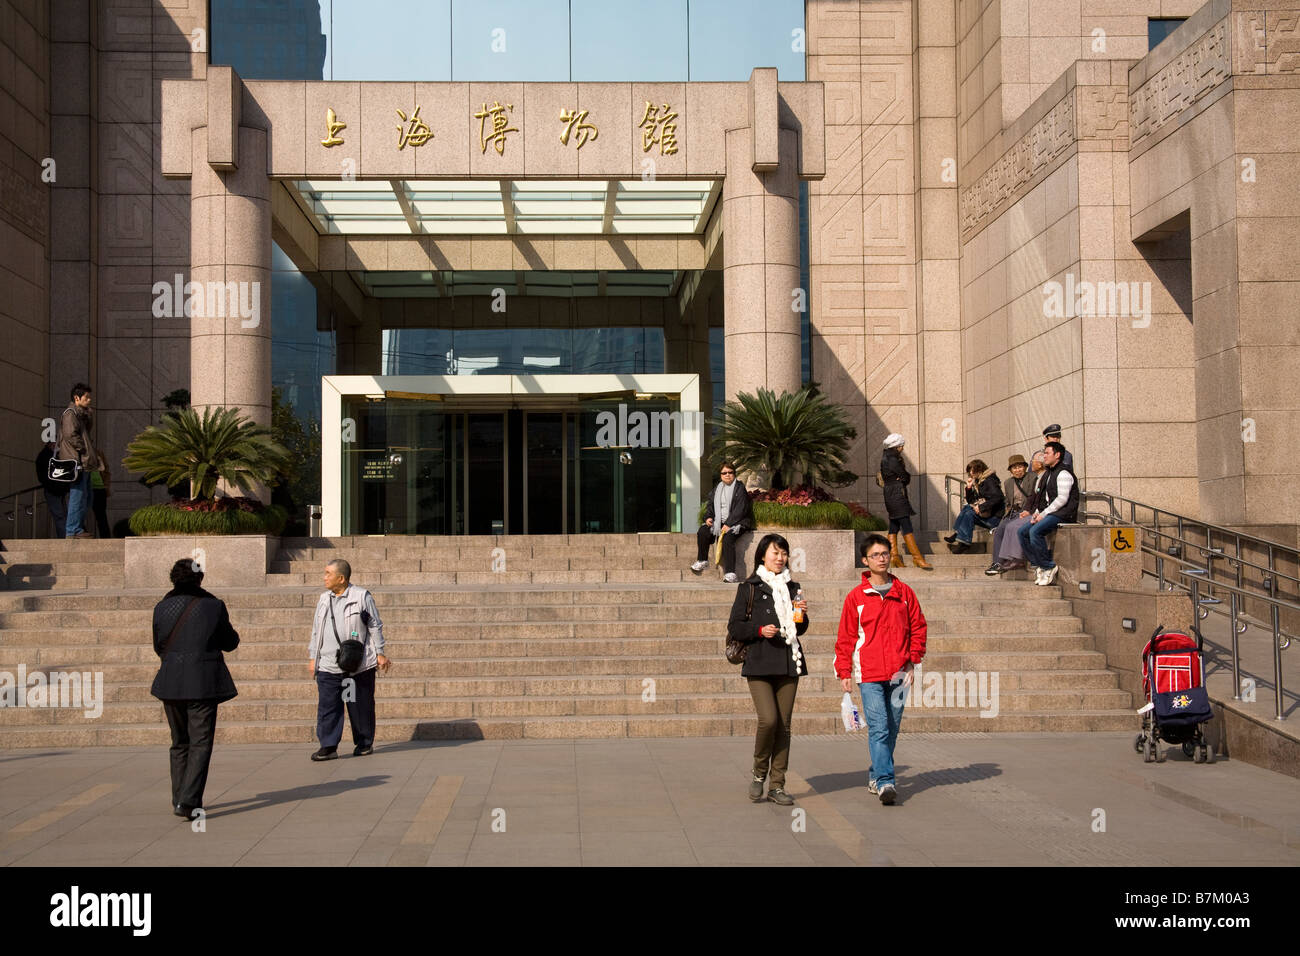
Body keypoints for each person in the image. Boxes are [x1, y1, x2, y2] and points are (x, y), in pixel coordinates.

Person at [834, 534, 928, 806]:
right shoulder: (856, 597)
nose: (882, 558)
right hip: (870, 673)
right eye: (875, 555)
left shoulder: (904, 593)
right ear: (865, 561)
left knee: (892, 726)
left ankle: (876, 774)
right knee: (879, 727)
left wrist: (912, 658)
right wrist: (844, 672)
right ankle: (886, 781)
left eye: (885, 553)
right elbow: (846, 637)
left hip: (900, 673)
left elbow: (918, 628)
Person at [150, 558, 240, 820]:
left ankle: (179, 796)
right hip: (202, 682)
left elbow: (158, 645)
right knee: (200, 742)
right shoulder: (212, 605)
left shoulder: (161, 607)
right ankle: (188, 801)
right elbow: (230, 642)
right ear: (200, 579)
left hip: (170, 681)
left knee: (179, 742)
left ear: (173, 579)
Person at [728, 533, 809, 806]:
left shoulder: (793, 587)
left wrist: (802, 615)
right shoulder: (749, 587)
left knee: (784, 726)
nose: (780, 558)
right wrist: (760, 630)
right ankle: (759, 773)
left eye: (784, 554)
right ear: (763, 555)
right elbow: (735, 627)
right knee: (769, 720)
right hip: (760, 662)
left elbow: (800, 628)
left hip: (789, 660)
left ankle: (777, 785)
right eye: (775, 553)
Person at [308, 558, 390, 760]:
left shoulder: (361, 597)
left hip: (356, 665)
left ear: (341, 578)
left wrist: (379, 653)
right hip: (328, 664)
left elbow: (374, 625)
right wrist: (313, 657)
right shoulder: (324, 599)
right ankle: (328, 746)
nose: (324, 577)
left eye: (328, 573)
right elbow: (316, 630)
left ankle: (363, 743)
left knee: (357, 704)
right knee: (328, 706)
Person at [1017, 441, 1079, 586]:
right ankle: (1038, 564)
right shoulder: (1049, 473)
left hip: (1064, 513)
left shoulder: (1063, 473)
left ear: (1057, 455)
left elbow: (1062, 500)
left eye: (1047, 453)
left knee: (1035, 531)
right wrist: (1037, 512)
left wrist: (1043, 514)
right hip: (1051, 512)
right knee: (1022, 532)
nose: (1044, 456)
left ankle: (1049, 566)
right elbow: (1046, 498)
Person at [691, 460, 753, 584]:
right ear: (720, 475)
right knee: (703, 531)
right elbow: (710, 507)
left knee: (728, 538)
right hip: (720, 522)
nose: (727, 475)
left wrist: (729, 524)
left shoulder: (739, 488)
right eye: (724, 473)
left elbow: (741, 509)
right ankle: (702, 560)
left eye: (730, 472)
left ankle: (730, 573)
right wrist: (708, 518)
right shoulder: (717, 489)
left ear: (734, 474)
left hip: (738, 523)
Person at [879, 434, 932, 570]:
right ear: (898, 446)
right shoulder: (893, 458)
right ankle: (917, 558)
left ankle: (894, 557)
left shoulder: (885, 457)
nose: (902, 448)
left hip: (889, 494)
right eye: (902, 445)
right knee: (906, 524)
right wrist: (904, 478)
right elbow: (904, 476)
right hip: (897, 494)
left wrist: (901, 478)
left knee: (894, 524)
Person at [986, 451, 1044, 575]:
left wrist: (1029, 511)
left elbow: (1034, 497)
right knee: (999, 531)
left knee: (1010, 527)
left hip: (1027, 511)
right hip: (1013, 512)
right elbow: (1008, 500)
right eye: (1014, 468)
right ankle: (997, 562)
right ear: (1011, 470)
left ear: (1024, 467)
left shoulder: (1032, 478)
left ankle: (1013, 559)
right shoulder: (1008, 483)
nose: (1017, 470)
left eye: (1020, 467)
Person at [57, 383, 101, 539]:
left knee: (86, 496)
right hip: (77, 461)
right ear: (76, 398)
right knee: (78, 495)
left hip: (84, 462)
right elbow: (71, 435)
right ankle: (72, 530)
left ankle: (77, 528)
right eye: (86, 397)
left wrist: (88, 415)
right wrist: (83, 449)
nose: (89, 400)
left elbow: (86, 431)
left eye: (90, 397)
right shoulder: (70, 413)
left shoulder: (80, 414)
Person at [943, 458, 1005, 553]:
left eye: (973, 470)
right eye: (969, 471)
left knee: (969, 514)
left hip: (994, 518)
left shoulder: (989, 480)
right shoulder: (979, 481)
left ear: (980, 469)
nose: (971, 473)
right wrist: (968, 488)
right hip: (987, 514)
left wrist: (981, 507)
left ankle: (964, 543)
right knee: (967, 508)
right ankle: (958, 534)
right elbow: (971, 501)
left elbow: (998, 497)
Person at [35, 442, 69, 538]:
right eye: (55, 444)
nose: (57, 446)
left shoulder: (49, 455)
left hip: (58, 490)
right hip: (53, 491)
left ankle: (65, 537)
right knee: (60, 516)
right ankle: (64, 538)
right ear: (50, 444)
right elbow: (43, 476)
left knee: (62, 516)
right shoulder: (46, 456)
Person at [90, 450, 112, 538]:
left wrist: (106, 485)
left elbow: (105, 469)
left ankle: (106, 539)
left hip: (99, 489)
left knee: (101, 517)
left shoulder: (97, 452)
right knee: (79, 515)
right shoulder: (79, 452)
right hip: (86, 489)